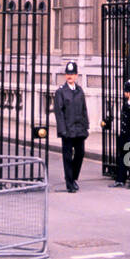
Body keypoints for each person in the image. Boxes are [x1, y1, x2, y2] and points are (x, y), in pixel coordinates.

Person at [53, 61, 88, 193]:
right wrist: (62, 130)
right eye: (68, 73)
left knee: (80, 154)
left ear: (76, 75)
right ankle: (69, 184)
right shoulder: (61, 92)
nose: (70, 76)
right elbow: (59, 112)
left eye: (72, 74)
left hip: (79, 129)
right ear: (65, 75)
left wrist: (86, 126)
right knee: (67, 157)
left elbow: (84, 110)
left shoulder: (80, 91)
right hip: (67, 130)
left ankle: (72, 177)